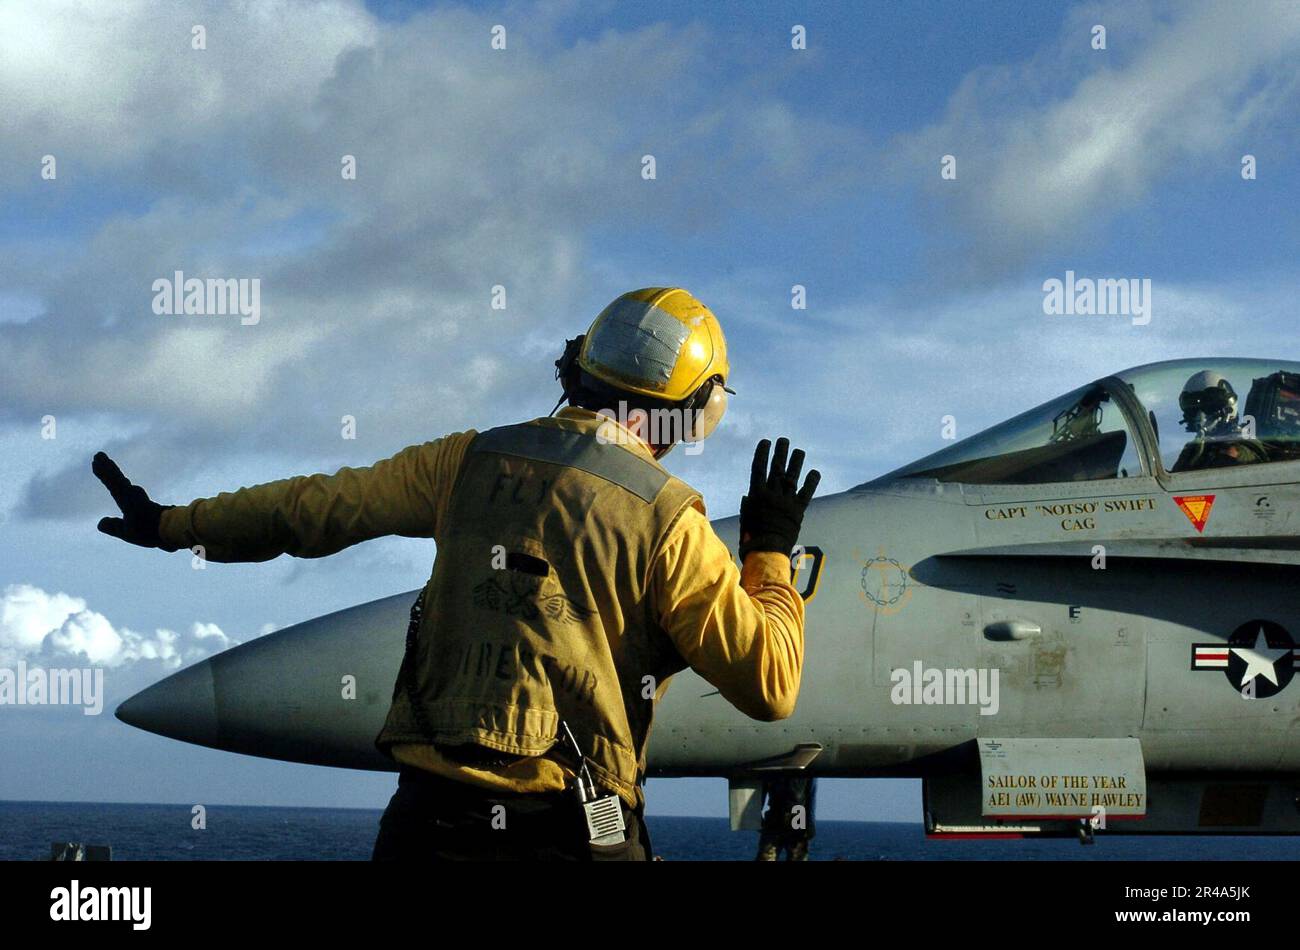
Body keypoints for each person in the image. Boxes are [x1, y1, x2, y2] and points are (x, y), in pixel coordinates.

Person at [93, 286, 821, 861]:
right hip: (569, 830)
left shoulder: (466, 461)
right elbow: (770, 684)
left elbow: (314, 507)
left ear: (577, 368)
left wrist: (172, 525)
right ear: (692, 413)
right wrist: (768, 552)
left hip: (427, 823)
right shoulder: (669, 519)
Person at [1170, 370, 1267, 472]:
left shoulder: (1239, 450)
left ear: (1228, 407)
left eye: (1210, 406)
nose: (1201, 415)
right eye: (1193, 409)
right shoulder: (1193, 450)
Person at [756, 775, 816, 861]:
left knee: (795, 856)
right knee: (767, 856)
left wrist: (810, 823)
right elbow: (811, 794)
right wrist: (810, 823)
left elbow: (811, 794)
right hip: (786, 815)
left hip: (787, 816)